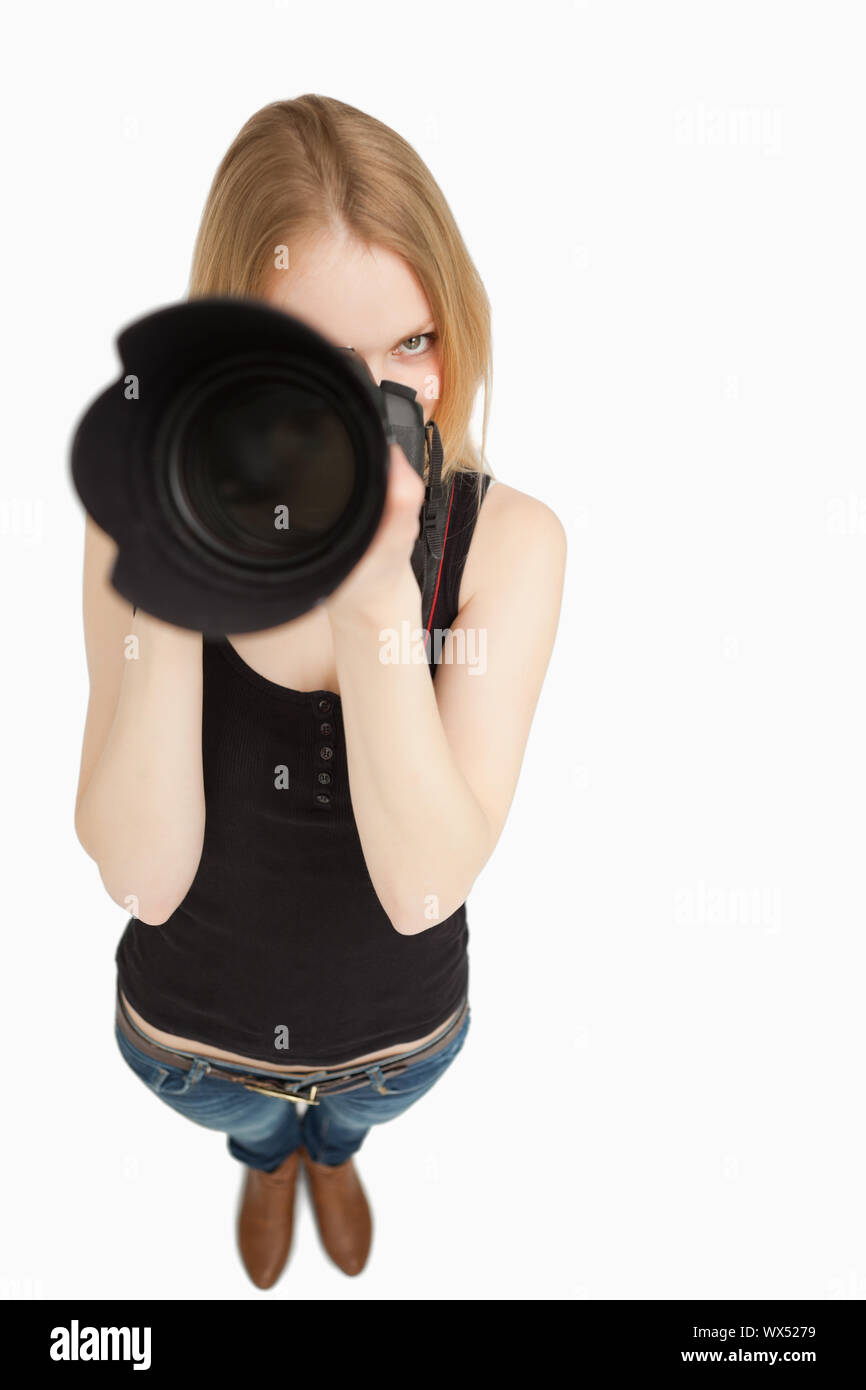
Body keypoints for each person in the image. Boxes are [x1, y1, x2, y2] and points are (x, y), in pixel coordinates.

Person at [74, 94, 566, 1288]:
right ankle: (270, 1160)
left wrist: (381, 611)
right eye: (313, 372)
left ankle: (329, 1154)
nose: (380, 412)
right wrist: (186, 560)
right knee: (256, 1126)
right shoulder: (138, 522)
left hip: (398, 1046)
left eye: (411, 346)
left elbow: (425, 887)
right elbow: (138, 873)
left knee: (347, 1120)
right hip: (192, 1050)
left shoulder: (506, 547)